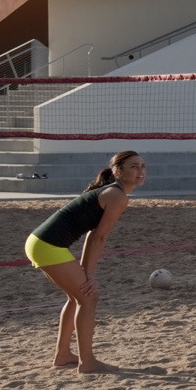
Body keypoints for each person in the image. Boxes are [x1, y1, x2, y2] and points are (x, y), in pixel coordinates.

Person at [23, 150, 147, 373]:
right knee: (89, 298)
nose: (140, 171)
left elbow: (93, 234)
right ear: (118, 171)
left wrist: (86, 271)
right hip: (47, 245)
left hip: (40, 242)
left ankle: (62, 355)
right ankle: (87, 362)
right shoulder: (117, 196)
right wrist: (88, 275)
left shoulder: (113, 193)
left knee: (77, 297)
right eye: (134, 167)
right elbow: (100, 236)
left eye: (142, 166)